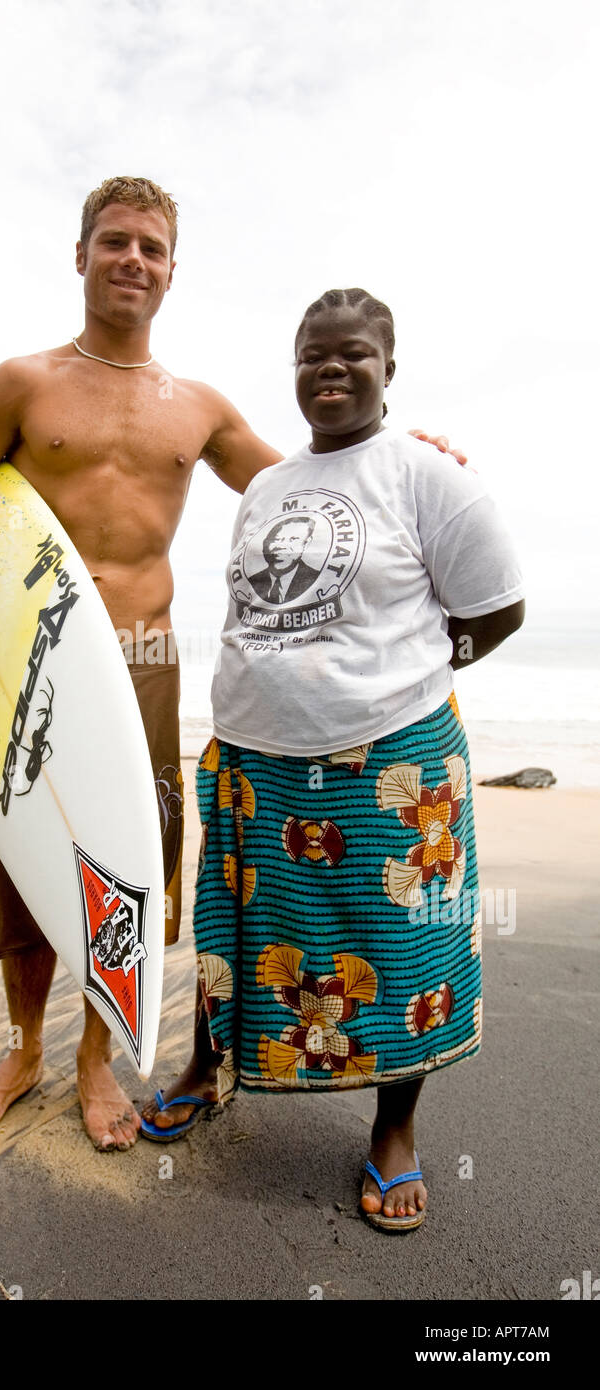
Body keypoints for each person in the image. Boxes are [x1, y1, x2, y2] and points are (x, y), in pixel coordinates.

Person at [0, 180, 462, 1154]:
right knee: (20, 871)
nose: (132, 261)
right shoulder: (21, 383)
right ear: (80, 256)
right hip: (28, 662)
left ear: (171, 271)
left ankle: (90, 1062)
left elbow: (312, 481)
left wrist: (412, 456)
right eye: (114, 242)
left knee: (124, 861)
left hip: (140, 666)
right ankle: (21, 1050)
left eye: (151, 247)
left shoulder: (195, 408)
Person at [141, 287, 525, 1233]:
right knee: (233, 925)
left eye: (353, 353)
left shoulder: (430, 476)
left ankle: (393, 1135)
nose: (331, 368)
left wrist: (407, 675)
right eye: (314, 354)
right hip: (252, 761)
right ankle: (209, 1068)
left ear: (388, 367)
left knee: (401, 950)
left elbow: (498, 607)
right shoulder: (269, 487)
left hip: (388, 763)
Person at [248, 517, 320, 603]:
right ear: (265, 544)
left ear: (306, 544)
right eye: (276, 539)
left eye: (292, 540)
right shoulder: (251, 581)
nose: (281, 546)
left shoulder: (316, 579)